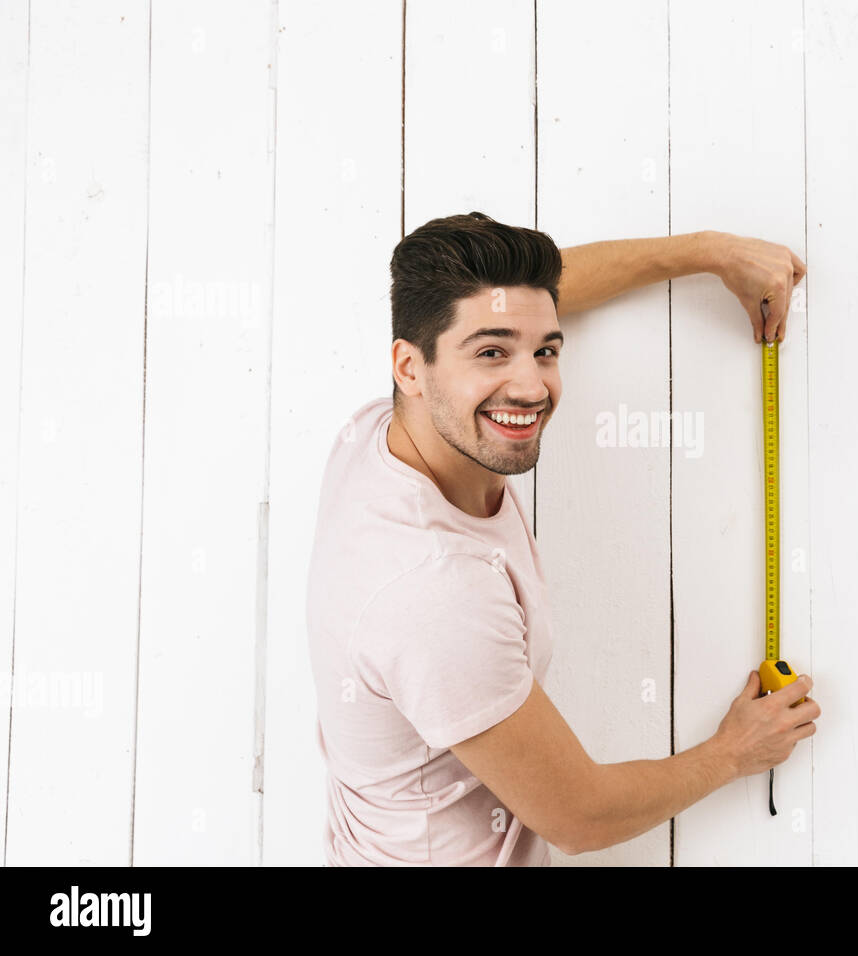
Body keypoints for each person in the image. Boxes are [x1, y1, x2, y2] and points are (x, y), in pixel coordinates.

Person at [306, 211, 817, 865]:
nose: (531, 386)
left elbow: (529, 298)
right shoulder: (437, 595)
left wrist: (708, 252)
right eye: (492, 353)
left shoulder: (379, 433)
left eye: (545, 350)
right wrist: (734, 753)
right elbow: (579, 816)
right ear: (410, 364)